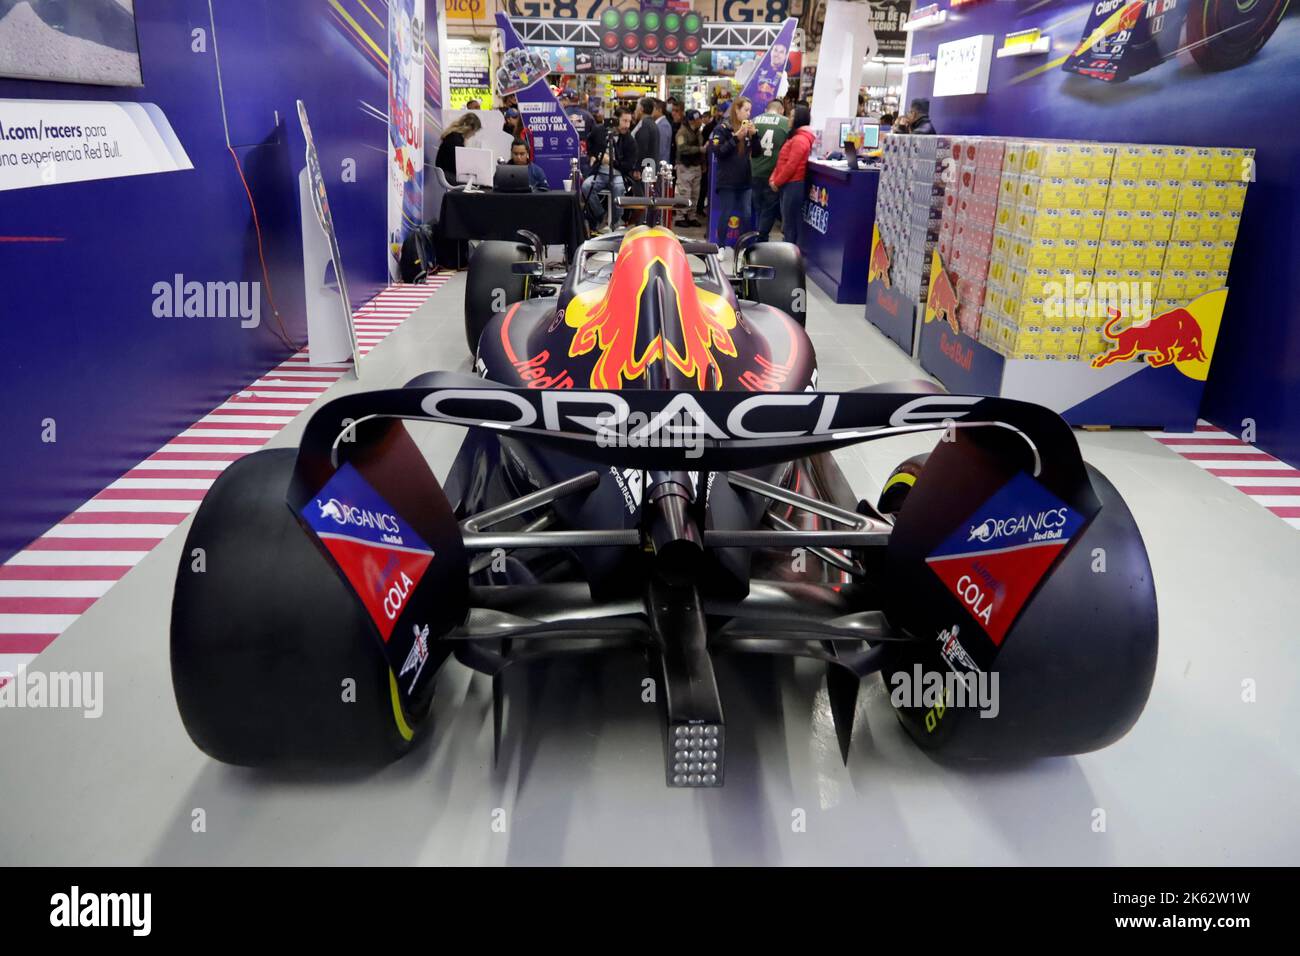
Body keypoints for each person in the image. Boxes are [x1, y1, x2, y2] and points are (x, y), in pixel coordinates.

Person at [708, 95, 758, 251]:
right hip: (727, 181)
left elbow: (757, 153)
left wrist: (754, 136)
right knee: (726, 214)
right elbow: (718, 152)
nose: (748, 114)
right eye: (746, 110)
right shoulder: (722, 128)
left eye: (750, 110)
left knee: (747, 214)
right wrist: (736, 138)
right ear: (736, 109)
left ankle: (742, 248)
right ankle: (721, 246)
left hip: (745, 180)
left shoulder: (750, 127)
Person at [769, 105, 815, 246]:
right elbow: (782, 162)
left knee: (790, 224)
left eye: (792, 116)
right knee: (788, 222)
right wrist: (774, 178)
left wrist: (776, 182)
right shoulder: (795, 137)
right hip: (787, 184)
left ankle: (790, 254)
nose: (789, 118)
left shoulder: (800, 140)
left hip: (793, 185)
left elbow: (791, 165)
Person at [583, 109, 635, 231]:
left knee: (618, 188)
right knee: (586, 186)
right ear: (616, 119)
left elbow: (628, 165)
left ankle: (617, 222)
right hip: (599, 173)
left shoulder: (629, 140)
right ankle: (601, 216)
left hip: (618, 174)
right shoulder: (599, 130)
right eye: (624, 121)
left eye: (629, 121)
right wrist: (593, 155)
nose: (627, 125)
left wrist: (611, 162)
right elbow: (589, 142)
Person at [750, 100, 790, 242]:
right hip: (773, 172)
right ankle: (761, 239)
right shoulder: (785, 123)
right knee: (769, 208)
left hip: (755, 171)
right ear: (781, 110)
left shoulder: (754, 120)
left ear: (767, 109)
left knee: (758, 207)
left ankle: (757, 236)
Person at [674, 109, 705, 228]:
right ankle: (680, 217)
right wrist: (699, 149)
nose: (700, 121)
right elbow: (682, 148)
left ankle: (692, 216)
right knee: (683, 193)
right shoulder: (682, 133)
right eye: (698, 119)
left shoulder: (698, 132)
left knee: (694, 194)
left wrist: (703, 164)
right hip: (685, 167)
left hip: (696, 166)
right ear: (692, 120)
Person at [435, 112, 482, 181]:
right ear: (469, 128)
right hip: (449, 174)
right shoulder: (456, 140)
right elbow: (456, 164)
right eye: (474, 131)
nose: (474, 134)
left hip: (446, 172)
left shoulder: (454, 136)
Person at [561, 88, 597, 175]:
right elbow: (596, 137)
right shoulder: (588, 116)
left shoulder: (561, 115)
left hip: (564, 157)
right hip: (584, 159)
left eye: (562, 100)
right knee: (584, 185)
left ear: (566, 100)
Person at [653, 100, 672, 167]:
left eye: (653, 109)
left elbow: (661, 150)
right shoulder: (658, 124)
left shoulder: (663, 125)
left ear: (659, 110)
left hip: (660, 166)